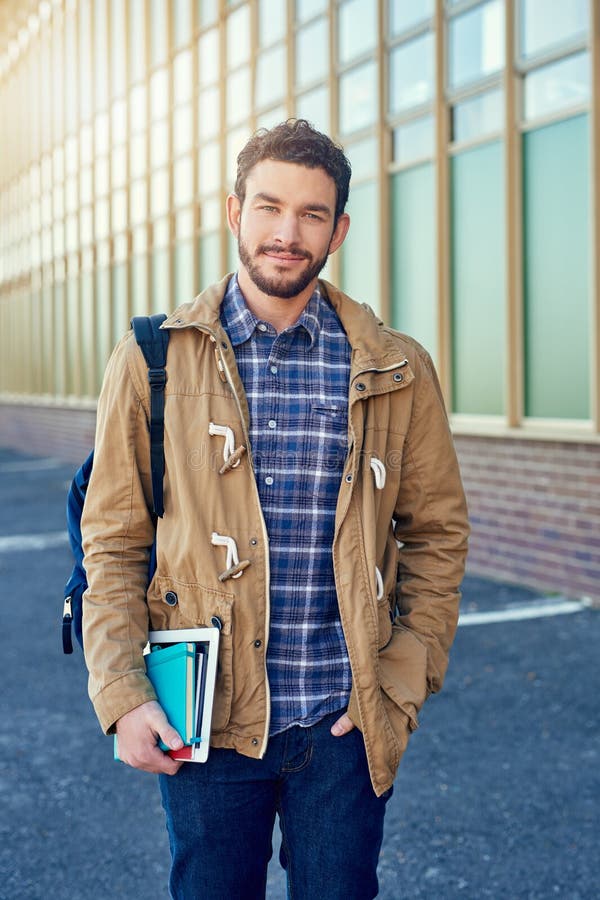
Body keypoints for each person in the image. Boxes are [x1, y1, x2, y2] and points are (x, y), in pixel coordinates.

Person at [81, 119, 469, 899]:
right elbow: (115, 540)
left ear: (340, 229)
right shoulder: (153, 359)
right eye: (268, 207)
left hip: (343, 722)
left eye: (312, 214)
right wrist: (122, 695)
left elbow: (437, 535)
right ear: (234, 212)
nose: (286, 233)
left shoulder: (395, 366)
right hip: (207, 721)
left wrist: (400, 678)